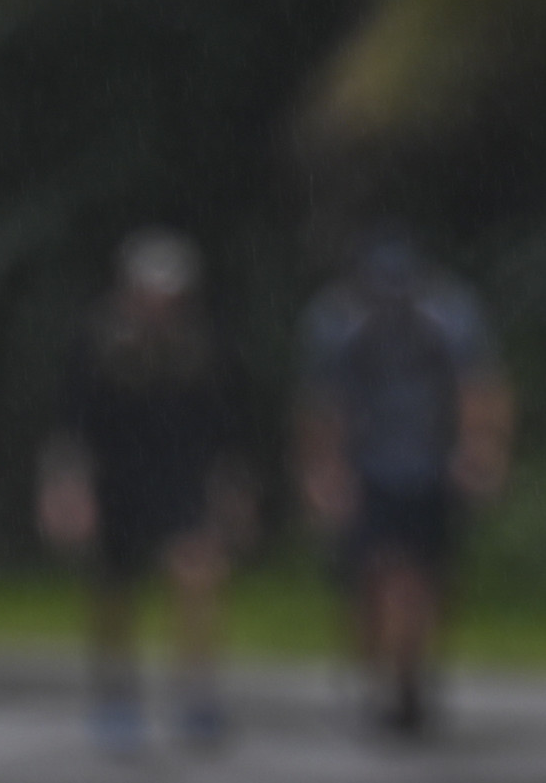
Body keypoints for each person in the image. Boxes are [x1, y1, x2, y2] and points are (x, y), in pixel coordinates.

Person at [34, 229, 249, 754]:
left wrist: (232, 487)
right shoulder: (97, 342)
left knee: (197, 575)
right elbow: (71, 421)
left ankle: (197, 692)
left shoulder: (202, 345)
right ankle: (117, 694)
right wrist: (67, 488)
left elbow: (226, 423)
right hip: (115, 477)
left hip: (182, 474)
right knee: (114, 591)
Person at [298, 229, 511, 739]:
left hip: (430, 463)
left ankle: (411, 674)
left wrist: (480, 452)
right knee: (375, 574)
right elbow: (323, 405)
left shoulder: (450, 315)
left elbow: (478, 387)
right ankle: (381, 674)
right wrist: (325, 472)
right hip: (368, 465)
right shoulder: (337, 320)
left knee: (425, 573)